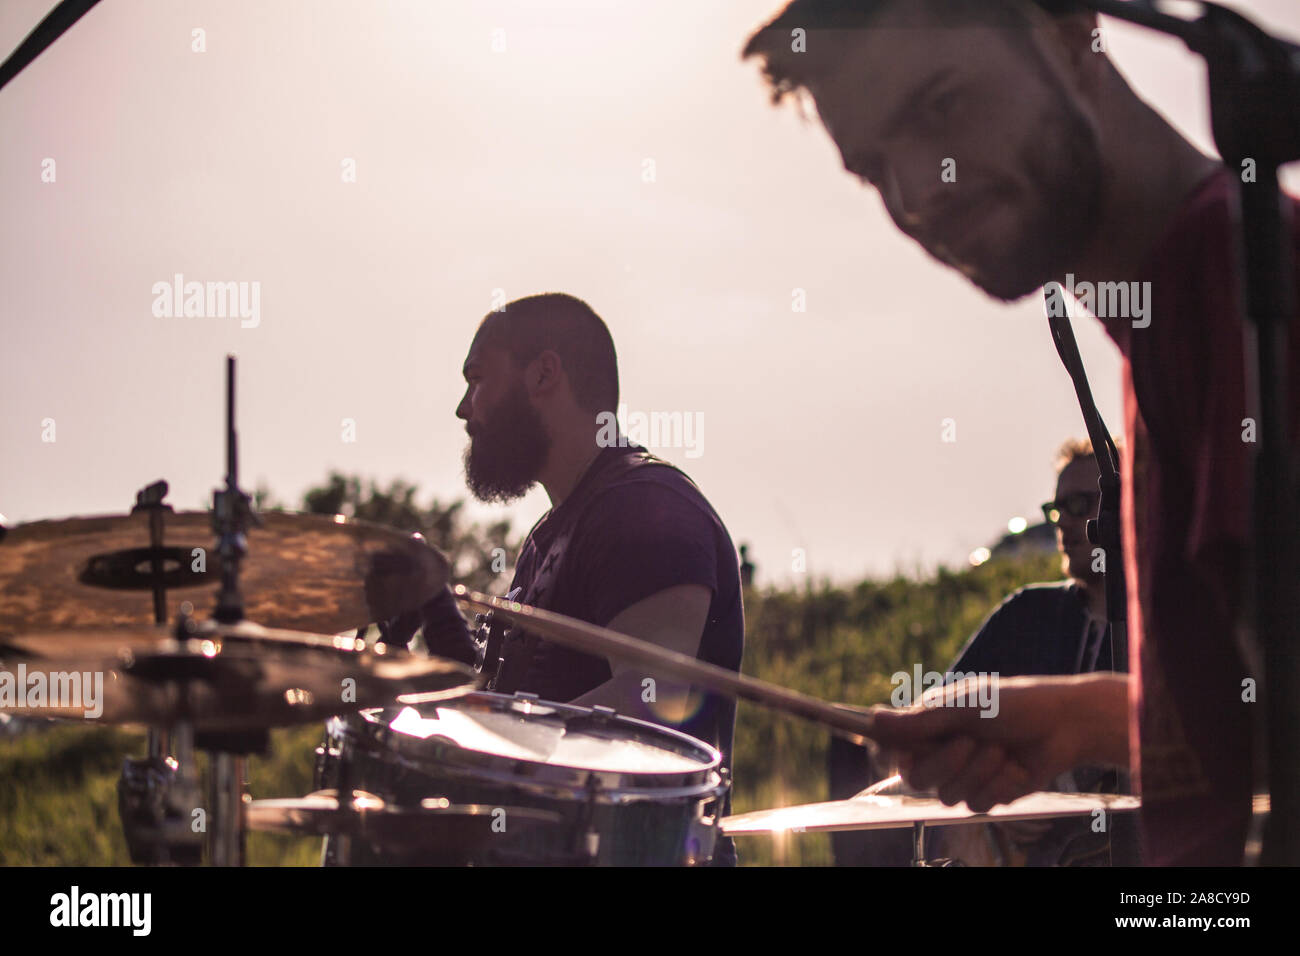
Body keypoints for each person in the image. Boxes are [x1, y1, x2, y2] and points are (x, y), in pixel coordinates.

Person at [743, 0, 1300, 864]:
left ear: (1072, 28)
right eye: (873, 167)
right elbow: (1262, 712)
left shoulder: (1239, 284)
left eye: (942, 108)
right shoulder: (1168, 316)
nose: (917, 190)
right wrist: (1076, 721)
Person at [378, 292, 746, 865]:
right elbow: (511, 701)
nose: (463, 407)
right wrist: (435, 613)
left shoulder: (647, 507)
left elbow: (647, 710)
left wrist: (486, 733)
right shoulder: (550, 537)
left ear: (544, 374)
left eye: (478, 379)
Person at [829, 437, 1138, 865]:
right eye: (1056, 509)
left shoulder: (1166, 625)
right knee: (873, 810)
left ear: (1127, 507)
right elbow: (942, 713)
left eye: (1081, 505)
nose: (1063, 523)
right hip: (1009, 846)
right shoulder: (1026, 614)